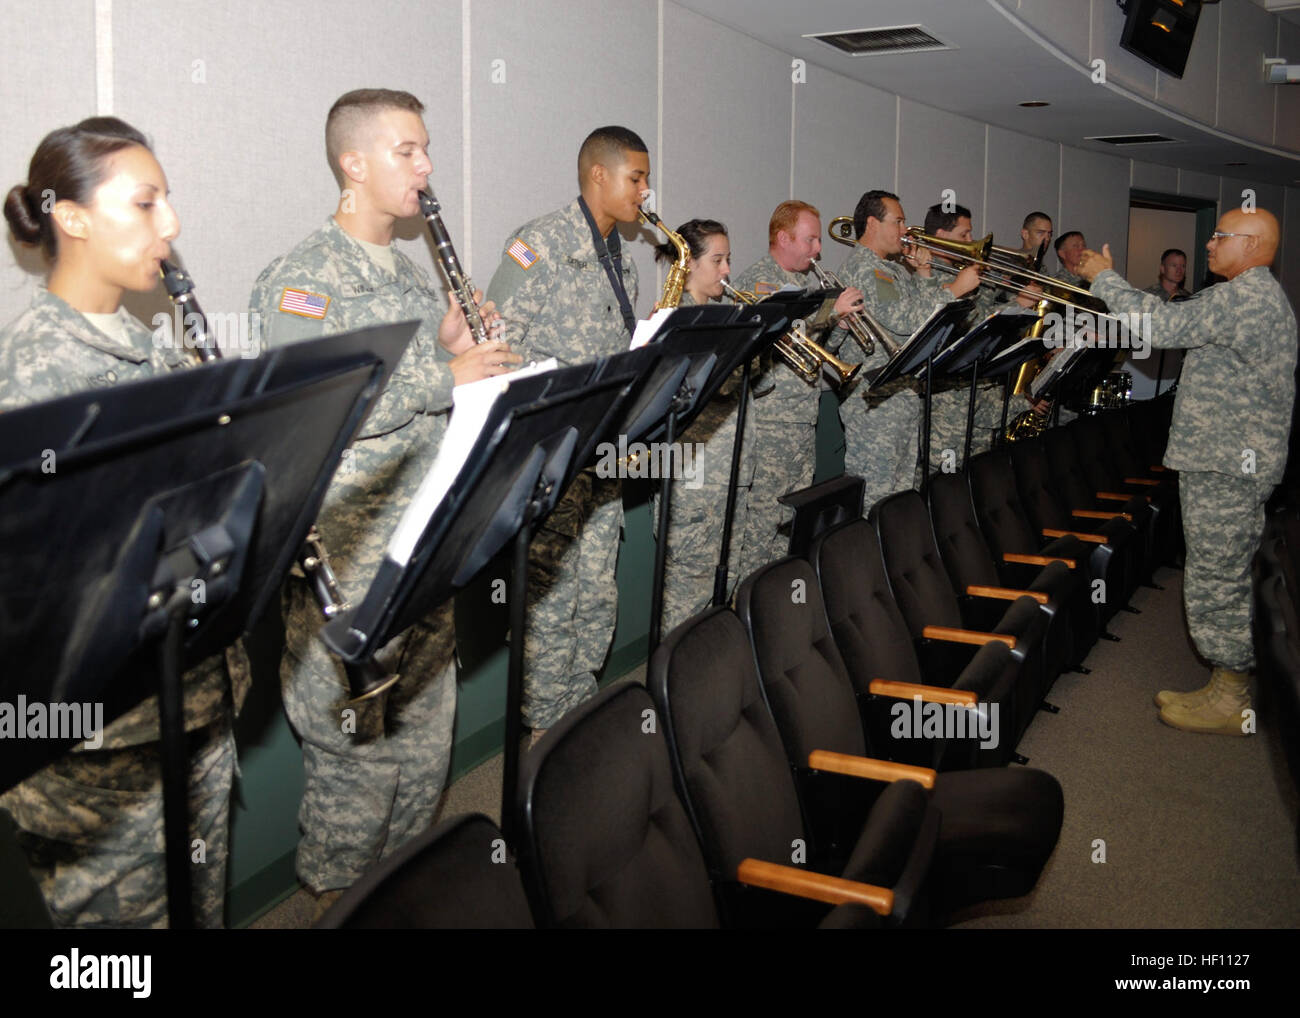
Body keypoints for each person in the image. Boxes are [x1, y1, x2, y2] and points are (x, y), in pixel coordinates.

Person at [249, 89, 518, 910]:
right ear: (352, 164)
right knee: (353, 798)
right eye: (408, 150)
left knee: (422, 775)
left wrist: (455, 347)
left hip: (423, 563)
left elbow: (426, 399)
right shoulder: (301, 282)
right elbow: (324, 400)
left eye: (426, 148)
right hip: (351, 581)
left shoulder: (405, 273)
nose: (427, 167)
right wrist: (445, 374)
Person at [0, 116, 247, 927]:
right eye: (145, 204)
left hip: (189, 709)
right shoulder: (38, 377)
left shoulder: (150, 346)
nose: (170, 225)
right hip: (103, 760)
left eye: (167, 201)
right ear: (69, 218)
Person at [1077, 207, 1297, 735]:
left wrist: (1103, 278)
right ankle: (1231, 683)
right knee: (1224, 568)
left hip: (1225, 464)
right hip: (1228, 460)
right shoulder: (1254, 295)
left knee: (1217, 575)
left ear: (1252, 244)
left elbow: (1161, 327)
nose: (1209, 244)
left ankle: (1232, 695)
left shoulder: (1244, 297)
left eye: (1220, 236)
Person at [485, 125, 649, 740]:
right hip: (550, 457)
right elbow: (496, 347)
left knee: (597, 594)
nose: (645, 189)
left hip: (602, 459)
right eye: (636, 177)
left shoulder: (622, 262)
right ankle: (545, 745)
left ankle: (578, 729)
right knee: (549, 606)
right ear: (598, 175)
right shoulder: (541, 244)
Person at [731, 200, 862, 579]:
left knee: (792, 522)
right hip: (771, 425)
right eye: (810, 240)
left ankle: (776, 600)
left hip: (804, 421)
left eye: (819, 240)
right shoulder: (759, 282)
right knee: (762, 525)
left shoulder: (809, 284)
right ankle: (749, 602)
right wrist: (830, 313)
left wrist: (837, 329)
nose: (818, 249)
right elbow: (777, 335)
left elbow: (819, 353)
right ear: (783, 238)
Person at [834, 190, 980, 511]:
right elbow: (906, 320)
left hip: (900, 398)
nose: (905, 229)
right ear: (872, 224)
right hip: (876, 405)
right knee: (876, 501)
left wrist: (925, 275)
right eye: (898, 221)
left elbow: (927, 317)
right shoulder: (867, 268)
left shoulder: (894, 269)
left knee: (900, 502)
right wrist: (956, 289)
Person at [650, 219, 755, 630]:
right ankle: (676, 686)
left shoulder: (724, 314)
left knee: (726, 580)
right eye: (718, 260)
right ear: (689, 264)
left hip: (731, 467)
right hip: (693, 475)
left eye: (728, 259)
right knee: (687, 592)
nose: (727, 269)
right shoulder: (674, 320)